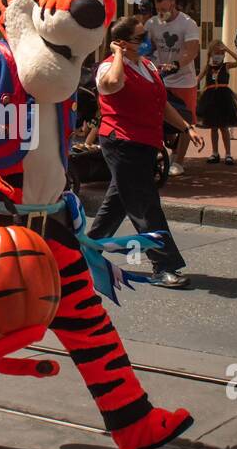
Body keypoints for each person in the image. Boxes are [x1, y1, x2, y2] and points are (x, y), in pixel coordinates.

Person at [87, 16, 206, 288]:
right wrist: (116, 55)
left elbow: (163, 105)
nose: (147, 42)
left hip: (145, 142)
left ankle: (87, 250)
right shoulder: (107, 67)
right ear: (121, 43)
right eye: (140, 38)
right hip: (121, 142)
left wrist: (186, 127)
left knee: (119, 200)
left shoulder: (148, 66)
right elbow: (112, 85)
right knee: (145, 204)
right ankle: (164, 265)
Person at [144, 0, 200, 176]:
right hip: (161, 78)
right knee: (159, 118)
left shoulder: (187, 23)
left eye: (165, 9)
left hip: (184, 80)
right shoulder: (152, 23)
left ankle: (178, 161)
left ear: (173, 4)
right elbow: (145, 45)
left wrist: (177, 64)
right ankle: (159, 156)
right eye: (159, 10)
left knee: (186, 121)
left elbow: (192, 50)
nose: (162, 14)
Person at [198, 39, 237, 164]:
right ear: (211, 53)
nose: (218, 55)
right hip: (211, 99)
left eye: (220, 52)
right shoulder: (207, 67)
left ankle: (228, 154)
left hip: (224, 99)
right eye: (215, 52)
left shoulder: (226, 66)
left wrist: (228, 50)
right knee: (213, 127)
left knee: (224, 127)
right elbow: (197, 79)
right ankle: (215, 153)